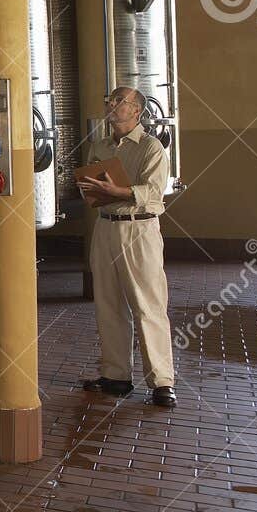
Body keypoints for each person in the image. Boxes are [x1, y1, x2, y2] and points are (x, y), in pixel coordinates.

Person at [78, 86, 176, 407]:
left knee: (148, 305)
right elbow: (92, 189)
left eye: (120, 101)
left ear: (137, 111)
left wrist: (117, 190)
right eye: (110, 100)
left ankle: (162, 382)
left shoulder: (151, 148)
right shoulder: (99, 146)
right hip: (105, 228)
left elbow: (153, 193)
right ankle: (116, 376)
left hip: (139, 230)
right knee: (108, 304)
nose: (111, 104)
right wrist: (90, 189)